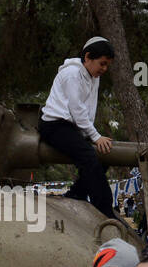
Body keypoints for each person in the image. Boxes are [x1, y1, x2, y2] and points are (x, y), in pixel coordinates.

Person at [38, 37, 118, 219]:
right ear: (88, 57)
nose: (104, 69)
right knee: (89, 158)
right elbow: (76, 108)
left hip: (73, 126)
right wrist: (95, 136)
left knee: (104, 156)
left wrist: (90, 134)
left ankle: (76, 193)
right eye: (102, 64)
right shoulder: (72, 74)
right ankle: (105, 211)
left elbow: (89, 108)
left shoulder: (92, 76)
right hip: (54, 125)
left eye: (107, 65)